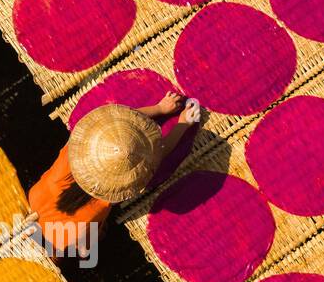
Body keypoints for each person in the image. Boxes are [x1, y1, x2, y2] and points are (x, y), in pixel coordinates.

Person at [28, 93, 200, 259]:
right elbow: (124, 119)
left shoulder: (70, 238)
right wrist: (160, 108)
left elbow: (157, 154)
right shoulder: (34, 195)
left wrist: (183, 123)